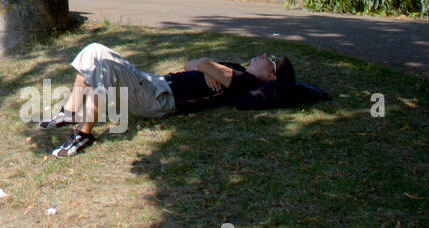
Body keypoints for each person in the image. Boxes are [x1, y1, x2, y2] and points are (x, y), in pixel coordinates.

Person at [41, 42, 293, 157]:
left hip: (159, 99)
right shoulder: (237, 70)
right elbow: (189, 64)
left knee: (104, 66)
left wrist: (206, 67)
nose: (263, 55)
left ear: (271, 77)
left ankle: (83, 134)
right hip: (154, 83)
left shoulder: (245, 81)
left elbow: (201, 62)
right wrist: (205, 68)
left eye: (270, 59)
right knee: (94, 50)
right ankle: (70, 111)